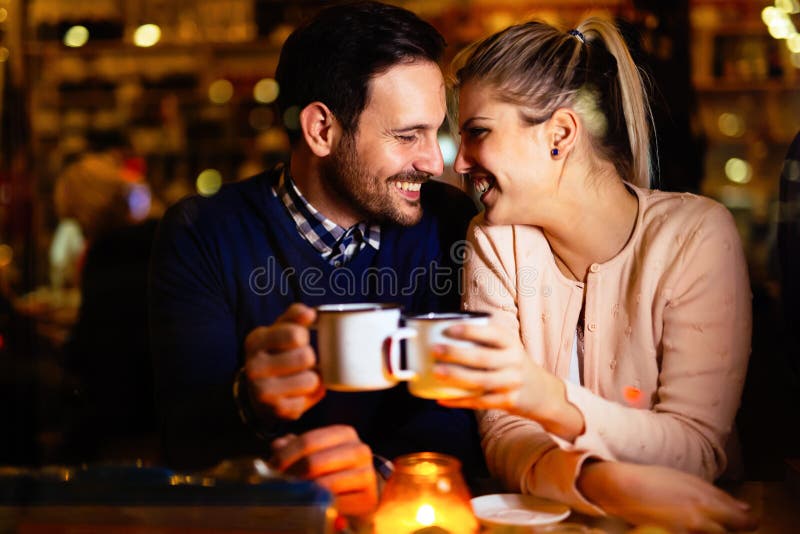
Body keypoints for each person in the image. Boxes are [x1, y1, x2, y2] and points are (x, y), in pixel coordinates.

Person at [148, 1, 483, 520]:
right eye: (407, 135)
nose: (433, 161)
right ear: (321, 130)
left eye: (435, 132)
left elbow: (460, 418)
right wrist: (248, 400)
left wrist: (382, 477)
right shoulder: (204, 232)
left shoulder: (449, 223)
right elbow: (184, 438)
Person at [431, 18, 756, 531]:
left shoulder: (695, 236)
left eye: (478, 133)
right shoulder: (495, 240)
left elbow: (697, 450)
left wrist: (549, 400)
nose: (459, 165)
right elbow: (504, 432)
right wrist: (600, 481)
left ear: (560, 134)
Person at [56, 153, 162, 463]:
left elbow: (93, 347)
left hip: (126, 417)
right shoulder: (161, 237)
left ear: (87, 211)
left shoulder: (110, 254)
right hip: (170, 406)